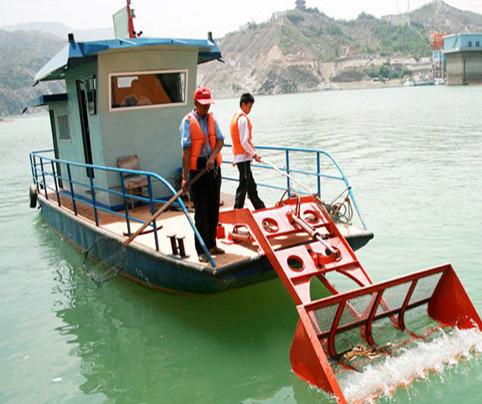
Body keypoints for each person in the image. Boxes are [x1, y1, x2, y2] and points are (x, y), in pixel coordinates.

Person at [180, 87, 225, 263]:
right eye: (203, 105)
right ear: (195, 103)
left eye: (208, 105)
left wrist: (212, 158)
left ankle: (212, 244)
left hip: (212, 169)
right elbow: (186, 152)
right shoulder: (187, 122)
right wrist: (185, 177)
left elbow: (220, 140)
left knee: (213, 208)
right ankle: (201, 249)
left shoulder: (212, 119)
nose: (206, 108)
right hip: (197, 170)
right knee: (201, 211)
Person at [230, 93, 265, 210]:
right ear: (243, 104)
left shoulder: (235, 117)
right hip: (244, 159)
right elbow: (244, 142)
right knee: (243, 186)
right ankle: (237, 210)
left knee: (250, 186)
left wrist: (235, 157)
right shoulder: (243, 119)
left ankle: (260, 208)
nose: (250, 109)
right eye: (249, 106)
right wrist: (254, 154)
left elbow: (235, 141)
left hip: (241, 158)